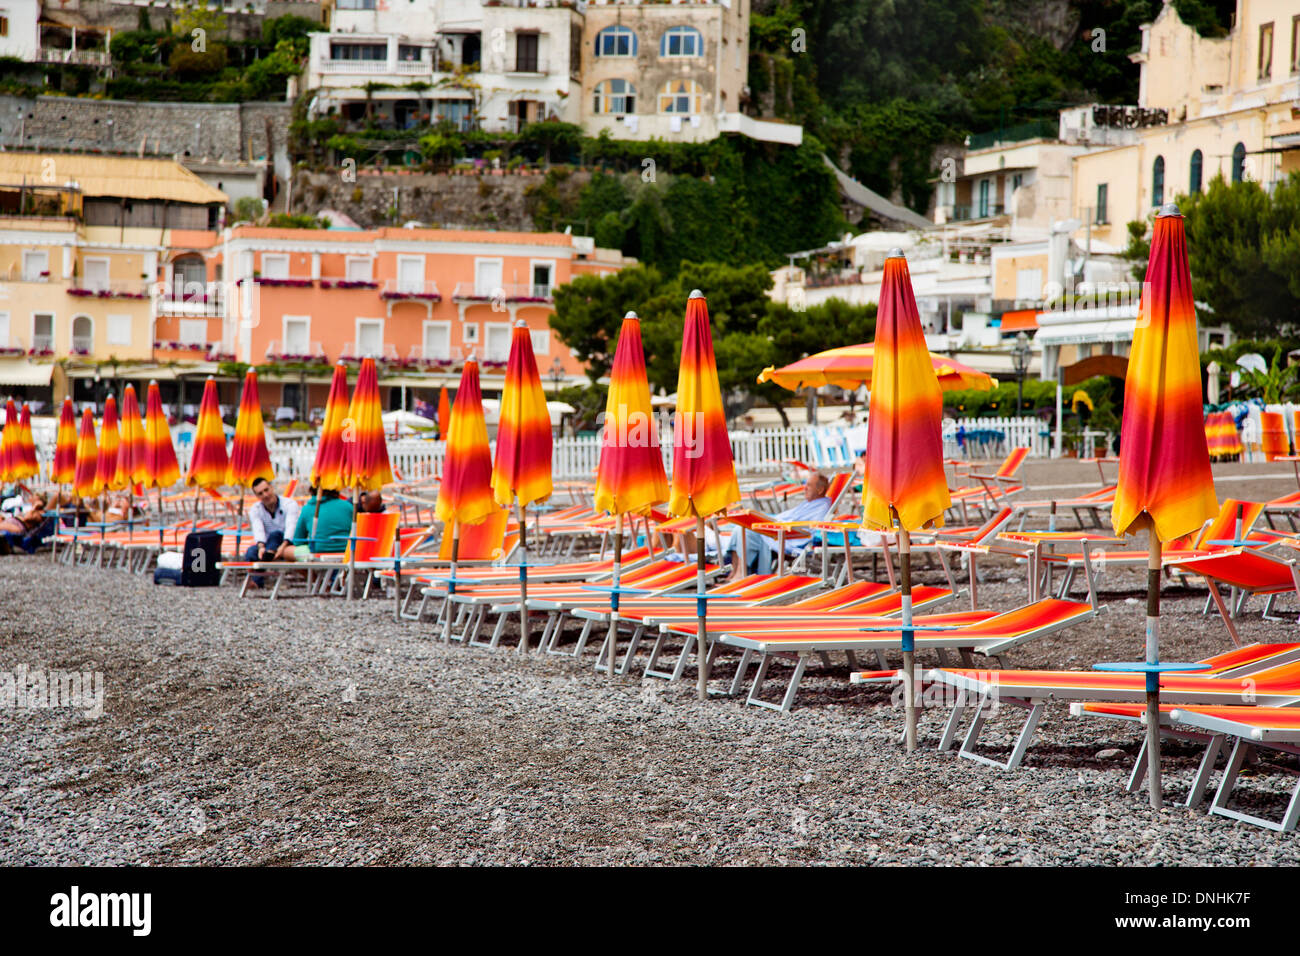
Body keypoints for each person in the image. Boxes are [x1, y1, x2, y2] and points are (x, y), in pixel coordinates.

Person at [725, 473, 833, 582]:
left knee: (745, 530)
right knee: (741, 526)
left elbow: (809, 528)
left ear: (820, 490)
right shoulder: (809, 503)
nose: (804, 488)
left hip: (790, 537)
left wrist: (777, 523)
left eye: (809, 485)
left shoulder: (822, 507)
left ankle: (741, 574)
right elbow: (788, 517)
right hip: (781, 530)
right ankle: (735, 572)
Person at [243, 476, 301, 587]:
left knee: (276, 534)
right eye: (260, 493)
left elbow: (291, 527)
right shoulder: (256, 509)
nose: (265, 495)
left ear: (271, 487)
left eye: (266, 490)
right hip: (268, 544)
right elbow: (258, 529)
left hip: (287, 543)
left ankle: (267, 556)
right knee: (251, 552)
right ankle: (257, 582)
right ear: (256, 496)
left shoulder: (289, 504)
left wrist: (282, 547)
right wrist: (261, 547)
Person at [291, 487, 353, 556]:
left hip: (317, 553)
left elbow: (298, 541)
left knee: (288, 550)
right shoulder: (348, 506)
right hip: (347, 552)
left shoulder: (307, 509)